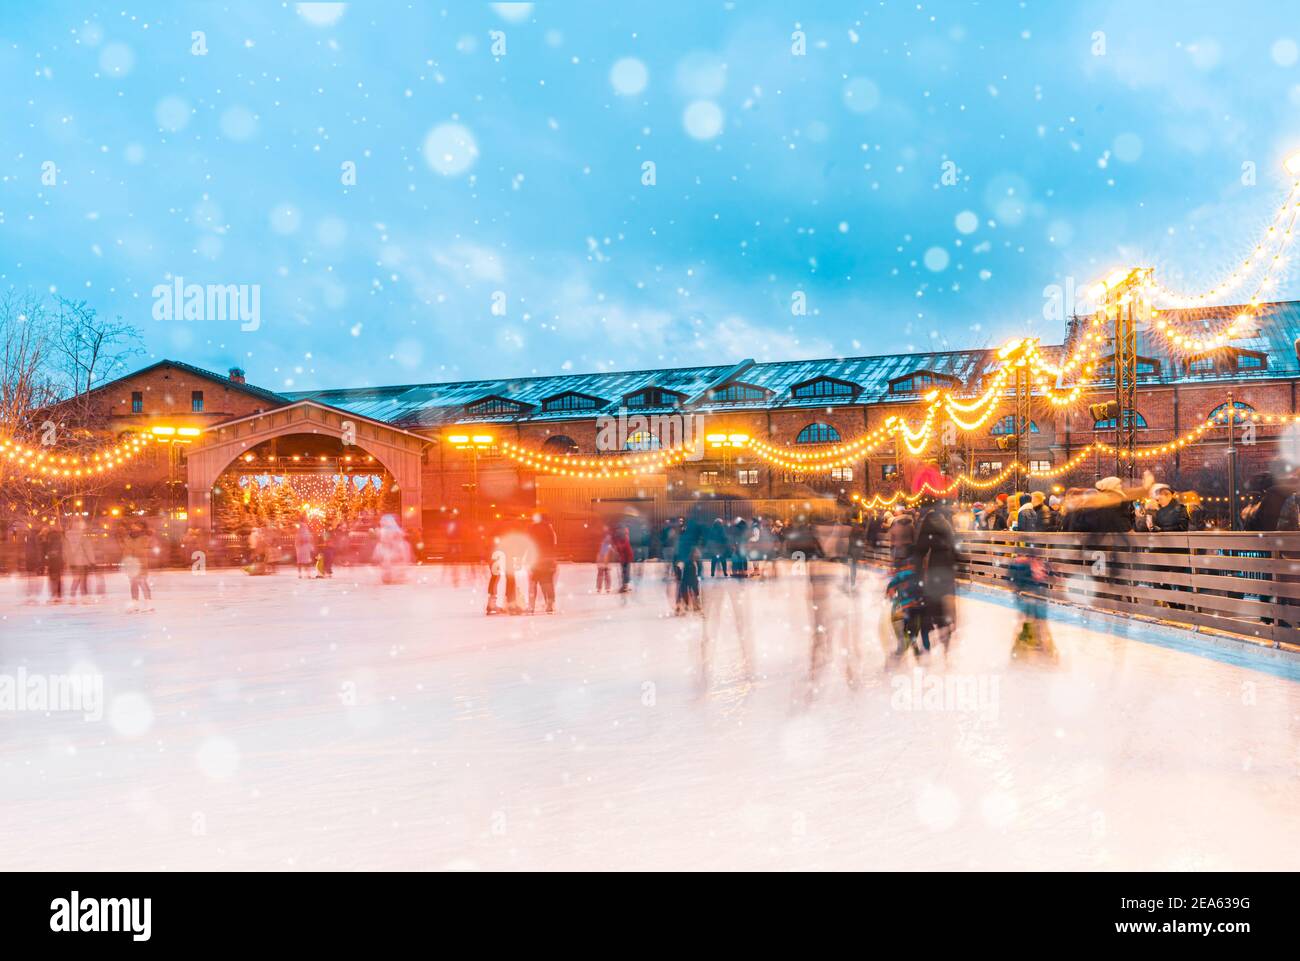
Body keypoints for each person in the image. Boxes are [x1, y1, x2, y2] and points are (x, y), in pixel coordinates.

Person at [913, 501, 959, 656]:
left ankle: (928, 644)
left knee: (932, 605)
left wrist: (916, 567)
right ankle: (945, 640)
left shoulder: (930, 521)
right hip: (948, 568)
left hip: (937, 569)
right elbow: (955, 547)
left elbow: (921, 547)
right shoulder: (946, 521)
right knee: (944, 605)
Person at [526, 512, 558, 614]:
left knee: (533, 582)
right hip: (547, 558)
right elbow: (554, 544)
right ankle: (549, 605)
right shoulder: (550, 529)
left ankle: (531, 606)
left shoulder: (533, 528)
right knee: (548, 582)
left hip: (535, 558)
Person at [121, 521, 154, 612]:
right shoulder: (128, 538)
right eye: (133, 526)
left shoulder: (144, 538)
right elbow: (126, 552)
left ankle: (149, 604)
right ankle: (135, 604)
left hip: (141, 564)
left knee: (143, 583)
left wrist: (147, 532)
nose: (134, 528)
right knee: (133, 584)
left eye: (137, 526)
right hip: (131, 565)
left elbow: (149, 538)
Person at [41, 524, 65, 604]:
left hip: (52, 560)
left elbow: (45, 551)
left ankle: (54, 594)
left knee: (52, 579)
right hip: (58, 560)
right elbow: (61, 550)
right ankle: (58, 594)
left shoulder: (49, 539)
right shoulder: (59, 539)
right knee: (57, 578)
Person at [613, 523, 634, 593]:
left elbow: (622, 546)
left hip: (625, 557)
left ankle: (624, 586)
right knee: (625, 572)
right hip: (625, 556)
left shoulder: (621, 536)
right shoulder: (624, 535)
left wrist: (617, 549)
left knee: (625, 572)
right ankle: (625, 586)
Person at [595, 526, 615, 593]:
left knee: (604, 573)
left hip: (605, 559)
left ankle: (605, 588)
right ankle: (601, 588)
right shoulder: (602, 540)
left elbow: (611, 550)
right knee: (602, 573)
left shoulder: (608, 541)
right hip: (602, 558)